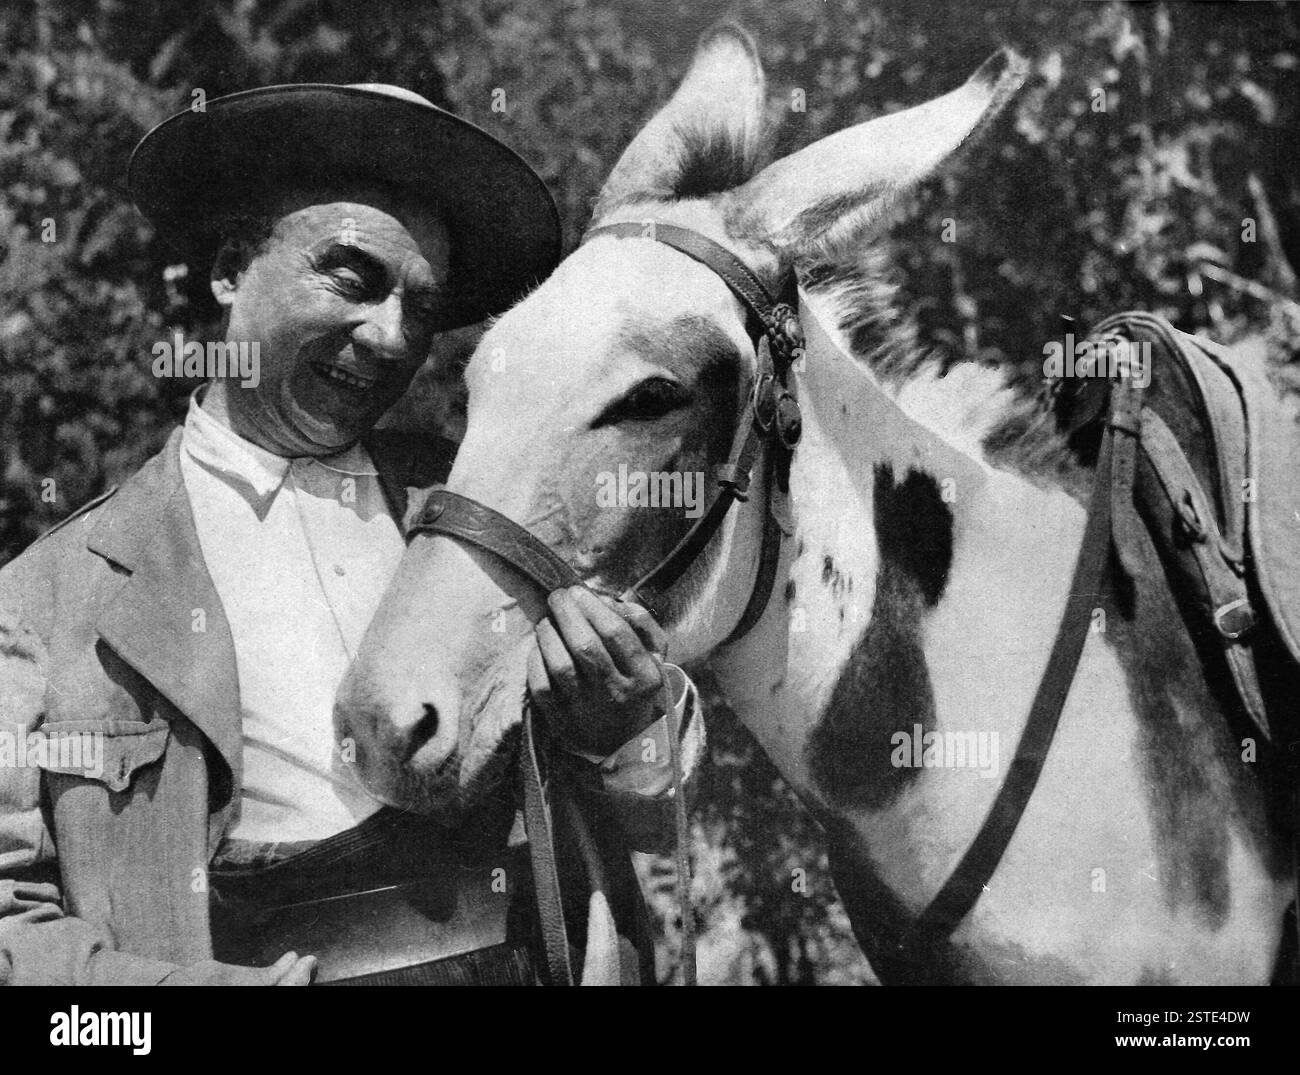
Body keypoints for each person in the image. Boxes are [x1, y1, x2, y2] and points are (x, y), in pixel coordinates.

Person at [0, 83, 702, 986]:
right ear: (228, 270)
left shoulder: (487, 519)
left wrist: (625, 728)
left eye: (423, 306)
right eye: (353, 277)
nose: (390, 337)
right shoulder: (49, 597)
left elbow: (647, 815)